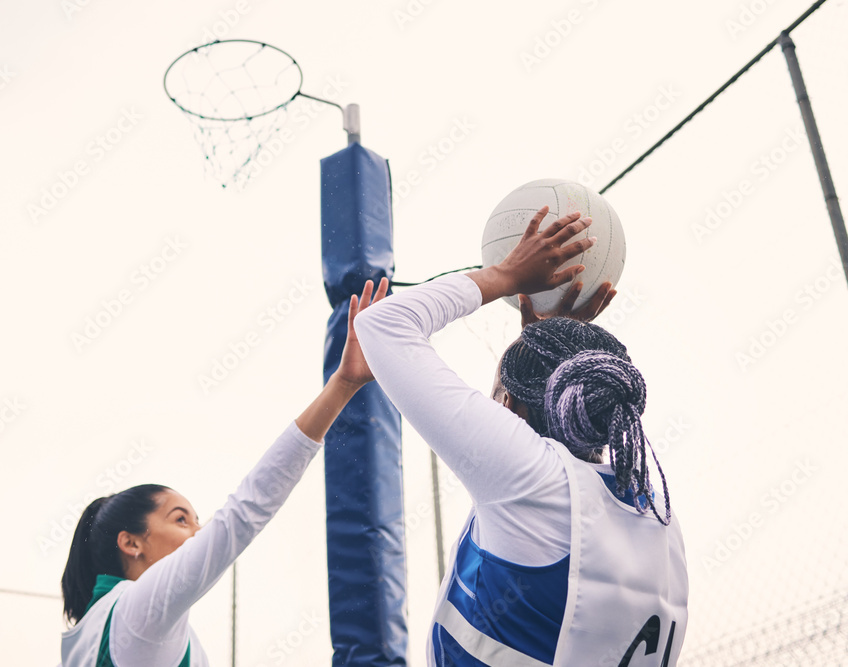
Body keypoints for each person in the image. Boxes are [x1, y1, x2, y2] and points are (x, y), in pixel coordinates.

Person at [354, 206, 688, 666]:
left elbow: (382, 324)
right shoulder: (648, 504)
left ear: (508, 408)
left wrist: (506, 275)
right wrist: (550, 346)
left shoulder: (528, 480)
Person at [59, 279, 388, 667]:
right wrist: (343, 384)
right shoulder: (139, 613)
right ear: (132, 543)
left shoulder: (87, 634)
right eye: (180, 519)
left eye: (196, 521)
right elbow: (245, 511)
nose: (199, 532)